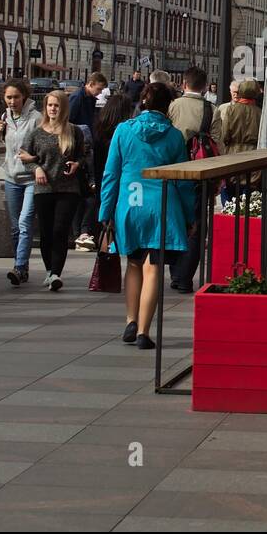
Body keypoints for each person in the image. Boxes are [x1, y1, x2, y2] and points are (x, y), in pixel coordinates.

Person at [98, 83, 195, 349]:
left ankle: (130, 319)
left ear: (141, 102)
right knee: (154, 268)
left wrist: (105, 212)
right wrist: (189, 216)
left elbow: (110, 175)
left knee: (132, 263)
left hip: (129, 202)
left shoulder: (122, 130)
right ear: (168, 106)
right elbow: (183, 182)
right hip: (163, 203)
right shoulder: (174, 136)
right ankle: (143, 331)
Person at [20, 90, 86, 292]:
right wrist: (36, 168)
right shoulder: (36, 133)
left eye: (56, 105)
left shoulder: (74, 131)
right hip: (44, 188)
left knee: (60, 230)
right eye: (50, 105)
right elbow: (23, 157)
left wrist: (77, 164)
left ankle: (56, 272)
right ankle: (49, 271)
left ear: (64, 108)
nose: (53, 109)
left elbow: (84, 156)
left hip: (68, 188)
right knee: (47, 232)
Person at [166, 66, 223, 293]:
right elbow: (218, 142)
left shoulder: (173, 106)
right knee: (198, 223)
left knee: (175, 219)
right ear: (205, 85)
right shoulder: (212, 109)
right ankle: (186, 276)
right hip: (202, 172)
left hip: (175, 171)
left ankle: (175, 272)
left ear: (184, 84)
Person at [0, 77, 40, 286]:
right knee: (15, 227)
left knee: (24, 222)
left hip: (31, 178)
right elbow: (9, 147)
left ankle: (19, 266)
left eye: (16, 97)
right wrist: (1, 132)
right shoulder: (6, 116)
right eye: (8, 97)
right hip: (12, 177)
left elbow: (47, 148)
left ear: (24, 97)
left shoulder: (36, 119)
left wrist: (34, 160)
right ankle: (20, 265)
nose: (12, 101)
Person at [80, 92, 133, 252]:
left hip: (101, 182)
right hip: (120, 184)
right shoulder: (124, 134)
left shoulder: (99, 131)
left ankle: (105, 258)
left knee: (105, 227)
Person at [67, 72, 107, 248]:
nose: (99, 93)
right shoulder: (77, 98)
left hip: (87, 148)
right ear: (90, 84)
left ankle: (82, 233)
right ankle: (78, 234)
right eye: (98, 89)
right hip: (78, 148)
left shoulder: (89, 99)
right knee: (84, 192)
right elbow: (69, 122)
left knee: (89, 192)